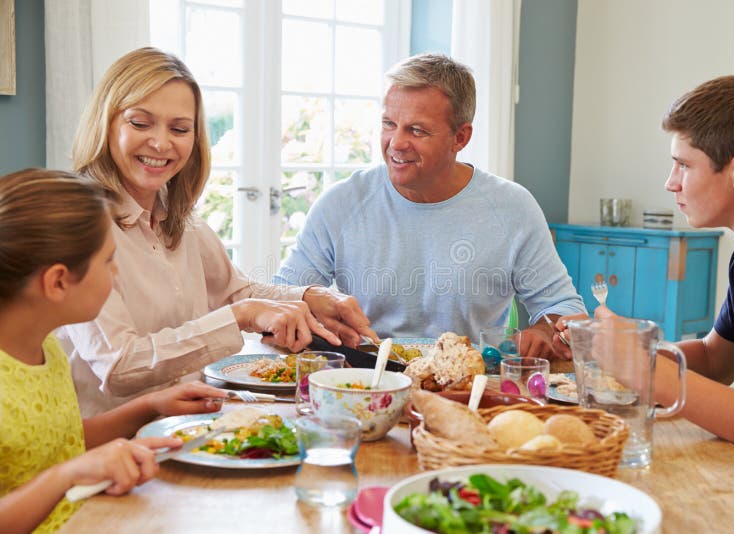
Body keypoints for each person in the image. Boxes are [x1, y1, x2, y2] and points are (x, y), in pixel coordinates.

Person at [60, 47, 377, 417]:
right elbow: (119, 366)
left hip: (187, 426)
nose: (161, 143)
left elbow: (236, 292)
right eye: (140, 123)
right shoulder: (77, 224)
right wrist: (242, 315)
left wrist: (310, 297)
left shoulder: (180, 219)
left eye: (179, 129)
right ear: (106, 122)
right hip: (112, 441)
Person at [557, 75, 734, 498]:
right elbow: (714, 358)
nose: (671, 182)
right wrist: (626, 350)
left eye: (684, 165)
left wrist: (649, 373)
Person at [274, 53, 585, 358]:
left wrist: (545, 331)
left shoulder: (513, 208)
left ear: (460, 137)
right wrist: (306, 308)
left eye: (417, 130)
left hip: (471, 381)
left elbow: (565, 308)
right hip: (363, 378)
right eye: (389, 124)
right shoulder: (341, 203)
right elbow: (279, 299)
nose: (396, 143)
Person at [0, 169, 228, 533]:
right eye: (108, 260)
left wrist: (150, 406)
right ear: (58, 281)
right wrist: (68, 474)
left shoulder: (45, 348)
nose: (116, 270)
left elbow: (57, 440)